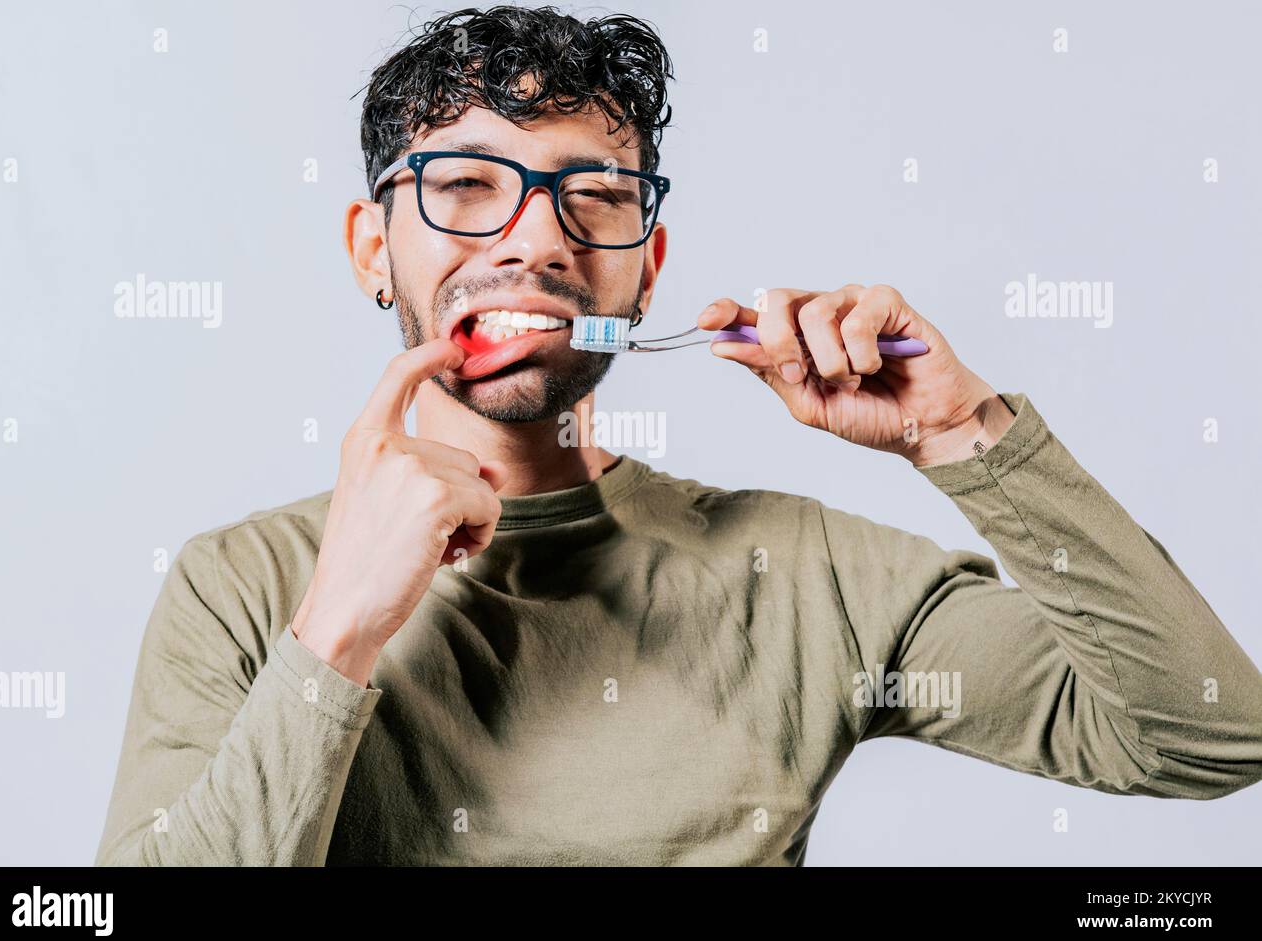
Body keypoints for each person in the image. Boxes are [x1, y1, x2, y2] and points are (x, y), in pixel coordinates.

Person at [95, 5, 1262, 866]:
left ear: (643, 266)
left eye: (591, 194)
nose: (532, 239)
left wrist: (964, 432)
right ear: (370, 247)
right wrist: (335, 629)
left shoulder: (805, 576)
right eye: (463, 187)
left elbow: (1210, 733)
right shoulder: (243, 589)